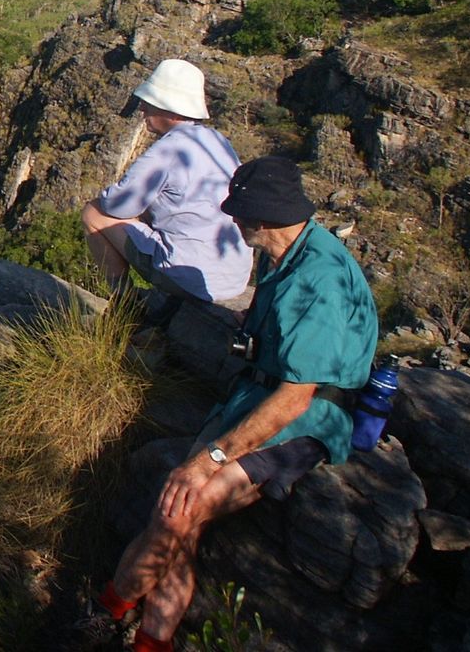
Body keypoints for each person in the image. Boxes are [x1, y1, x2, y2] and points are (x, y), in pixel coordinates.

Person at [89, 156, 379, 652]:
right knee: (181, 513)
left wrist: (210, 459)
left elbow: (295, 398)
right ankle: (150, 640)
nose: (233, 221)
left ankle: (106, 609)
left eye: (240, 214)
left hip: (303, 421)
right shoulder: (285, 252)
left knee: (181, 507)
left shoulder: (319, 284)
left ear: (262, 217)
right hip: (251, 398)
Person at [81, 58, 253, 307]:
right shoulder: (217, 140)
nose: (143, 110)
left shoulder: (168, 151)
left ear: (170, 110)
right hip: (234, 277)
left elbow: (117, 207)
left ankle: (124, 305)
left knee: (93, 213)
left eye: (150, 104)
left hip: (191, 278)